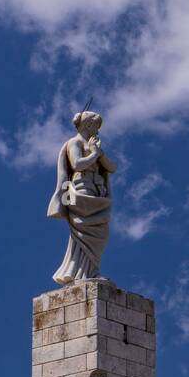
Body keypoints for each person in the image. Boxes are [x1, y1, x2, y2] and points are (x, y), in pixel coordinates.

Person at [47, 110, 116, 284]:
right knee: (83, 232)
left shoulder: (94, 145)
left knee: (101, 232)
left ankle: (89, 271)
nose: (98, 130)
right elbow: (77, 164)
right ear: (87, 125)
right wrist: (94, 154)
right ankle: (85, 274)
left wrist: (98, 153)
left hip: (95, 191)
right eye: (96, 126)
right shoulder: (75, 142)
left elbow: (112, 167)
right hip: (80, 191)